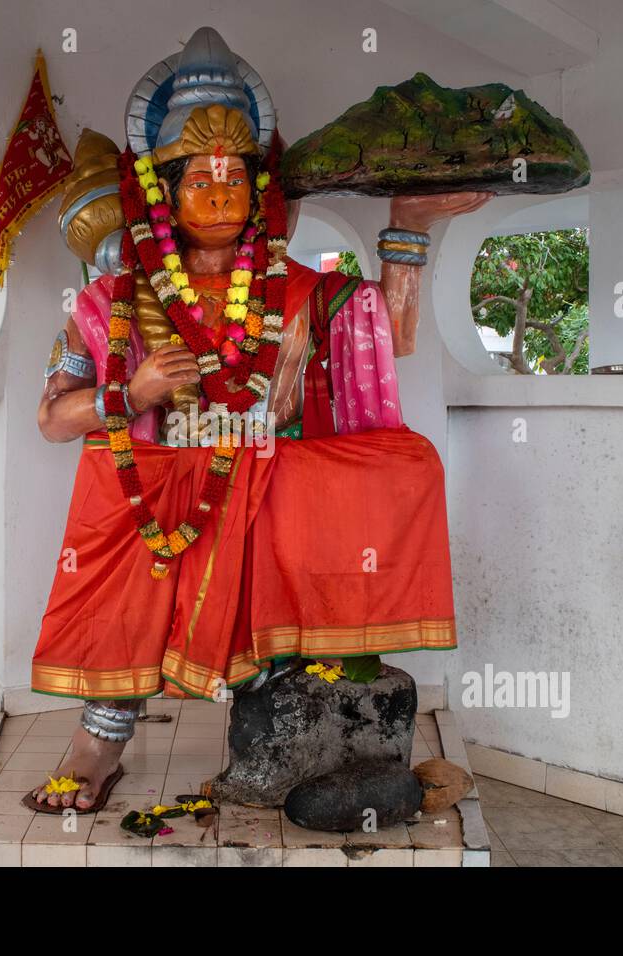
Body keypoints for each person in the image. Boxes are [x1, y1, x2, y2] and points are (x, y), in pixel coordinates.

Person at [25, 27, 489, 812]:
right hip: (159, 488)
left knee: (404, 464)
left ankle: (303, 690)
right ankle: (97, 743)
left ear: (257, 190)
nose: (219, 193)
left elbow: (390, 334)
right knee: (120, 502)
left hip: (269, 479)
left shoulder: (300, 290)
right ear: (163, 191)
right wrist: (130, 393)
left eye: (235, 177)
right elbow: (52, 422)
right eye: (198, 178)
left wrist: (409, 226)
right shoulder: (111, 302)